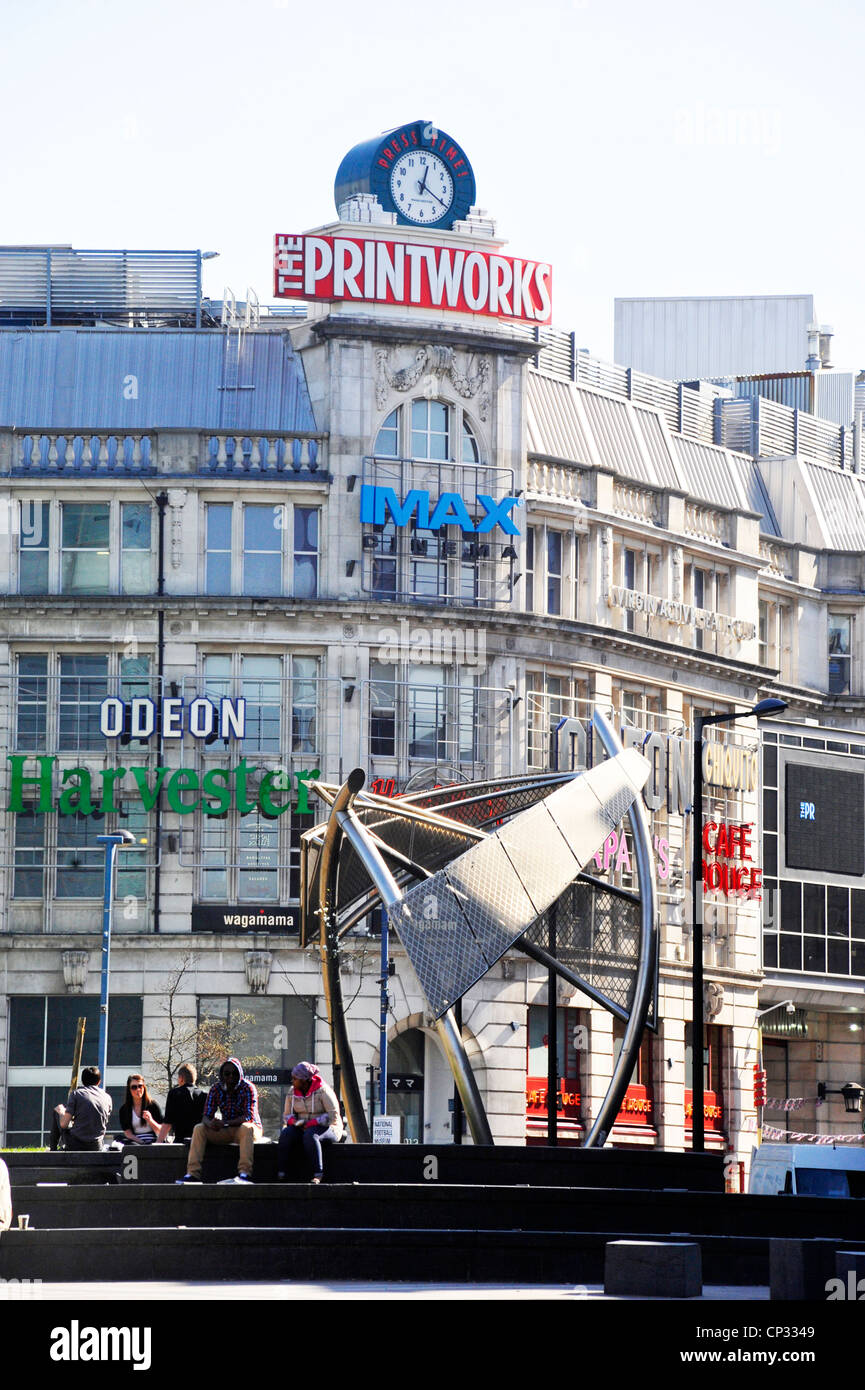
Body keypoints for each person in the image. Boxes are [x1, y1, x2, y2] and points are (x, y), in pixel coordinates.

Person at [176, 1058, 261, 1185]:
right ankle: (192, 1175)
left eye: (234, 1073)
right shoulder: (216, 1089)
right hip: (226, 1129)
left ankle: (244, 1174)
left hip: (248, 1130)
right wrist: (211, 1124)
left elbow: (248, 1116)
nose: (231, 1076)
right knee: (199, 1128)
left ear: (240, 1074)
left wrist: (225, 1123)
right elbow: (206, 1115)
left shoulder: (248, 1087)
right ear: (222, 1075)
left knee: (246, 1127)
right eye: (227, 1074)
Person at [277, 1061, 343, 1184]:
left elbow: (333, 1116)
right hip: (303, 1127)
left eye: (295, 1078)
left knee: (311, 1135)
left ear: (304, 1080)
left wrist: (313, 1122)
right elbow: (286, 1115)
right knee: (286, 1134)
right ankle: (282, 1172)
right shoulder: (292, 1092)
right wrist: (293, 1121)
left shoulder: (323, 1091)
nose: (292, 1081)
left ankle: (318, 1174)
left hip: (328, 1127)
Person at [54, 1065, 113, 1152]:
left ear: (82, 1081)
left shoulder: (76, 1094)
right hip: (96, 1145)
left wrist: (61, 1112)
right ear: (99, 1081)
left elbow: (64, 1124)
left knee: (58, 1110)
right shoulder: (107, 1097)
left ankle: (53, 1150)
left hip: (75, 1144)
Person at [158, 1064, 207, 1143]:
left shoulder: (174, 1093)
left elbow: (167, 1122)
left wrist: (158, 1143)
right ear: (194, 1078)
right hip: (199, 1142)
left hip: (180, 1141)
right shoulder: (204, 1095)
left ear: (181, 1078)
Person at [118, 1074, 164, 1145]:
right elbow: (128, 1134)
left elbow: (161, 1130)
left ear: (144, 1087)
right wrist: (141, 1143)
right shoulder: (124, 1109)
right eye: (134, 1087)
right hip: (135, 1142)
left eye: (140, 1086)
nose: (138, 1089)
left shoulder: (152, 1105)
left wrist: (150, 1120)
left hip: (154, 1141)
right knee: (119, 1139)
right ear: (129, 1089)